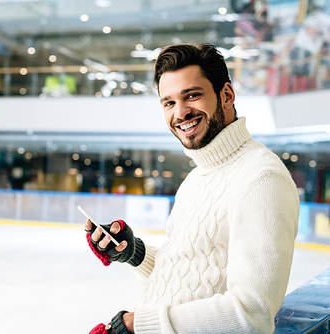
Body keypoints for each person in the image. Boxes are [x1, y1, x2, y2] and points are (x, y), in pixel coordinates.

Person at [85, 43, 299, 334]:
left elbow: (252, 313)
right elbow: (190, 279)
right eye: (169, 103)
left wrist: (134, 325)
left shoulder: (261, 178)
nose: (181, 112)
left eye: (192, 95)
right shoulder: (197, 179)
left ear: (226, 95)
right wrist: (134, 253)